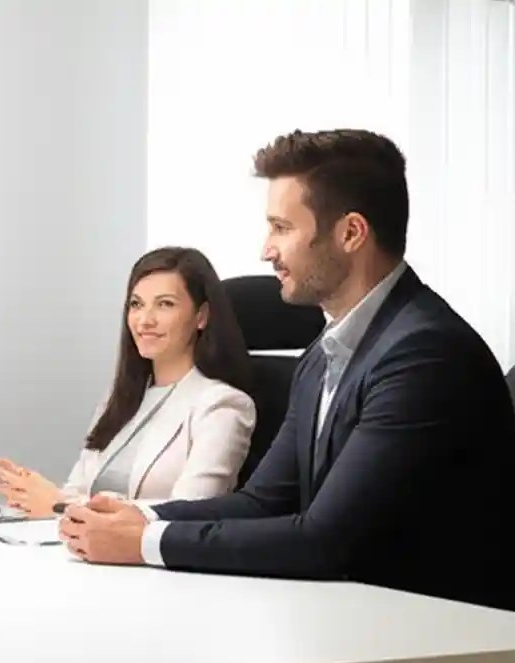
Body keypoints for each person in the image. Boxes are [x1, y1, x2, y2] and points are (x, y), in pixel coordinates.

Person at [60, 129, 515, 613]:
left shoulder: (423, 354)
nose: (266, 250)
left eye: (281, 228)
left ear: (351, 233)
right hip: (361, 618)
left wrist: (145, 543)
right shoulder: (324, 353)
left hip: (450, 644)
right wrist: (137, 516)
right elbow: (262, 502)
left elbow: (326, 538)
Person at [0, 246, 256, 517]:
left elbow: (190, 511)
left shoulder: (223, 405)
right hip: (86, 550)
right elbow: (78, 488)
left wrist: (59, 505)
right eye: (136, 304)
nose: (145, 320)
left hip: (153, 557)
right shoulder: (121, 397)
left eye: (165, 304)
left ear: (201, 316)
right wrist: (36, 495)